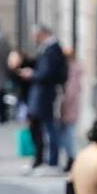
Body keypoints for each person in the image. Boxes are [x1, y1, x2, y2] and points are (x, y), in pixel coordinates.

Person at [26, 25, 67, 169]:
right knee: (41, 126)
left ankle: (53, 161)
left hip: (46, 95)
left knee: (50, 127)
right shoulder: (49, 48)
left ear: (41, 34)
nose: (33, 39)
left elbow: (48, 72)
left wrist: (32, 74)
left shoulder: (53, 49)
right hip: (42, 94)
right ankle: (42, 159)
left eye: (35, 36)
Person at [56, 48, 86, 171]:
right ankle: (70, 157)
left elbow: (71, 91)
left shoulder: (72, 70)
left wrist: (63, 103)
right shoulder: (72, 69)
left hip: (69, 107)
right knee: (66, 133)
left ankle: (71, 158)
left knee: (68, 134)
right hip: (69, 107)